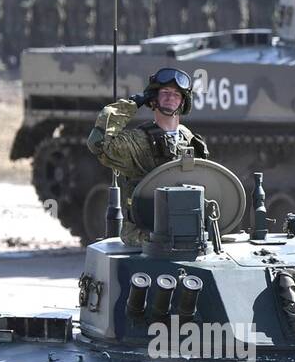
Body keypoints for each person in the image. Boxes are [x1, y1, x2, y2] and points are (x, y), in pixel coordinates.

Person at [87, 67, 210, 246]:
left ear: (183, 101)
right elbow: (98, 143)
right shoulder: (138, 141)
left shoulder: (190, 140)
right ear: (153, 99)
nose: (170, 97)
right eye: (164, 92)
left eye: (176, 94)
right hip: (144, 238)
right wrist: (132, 105)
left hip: (188, 236)